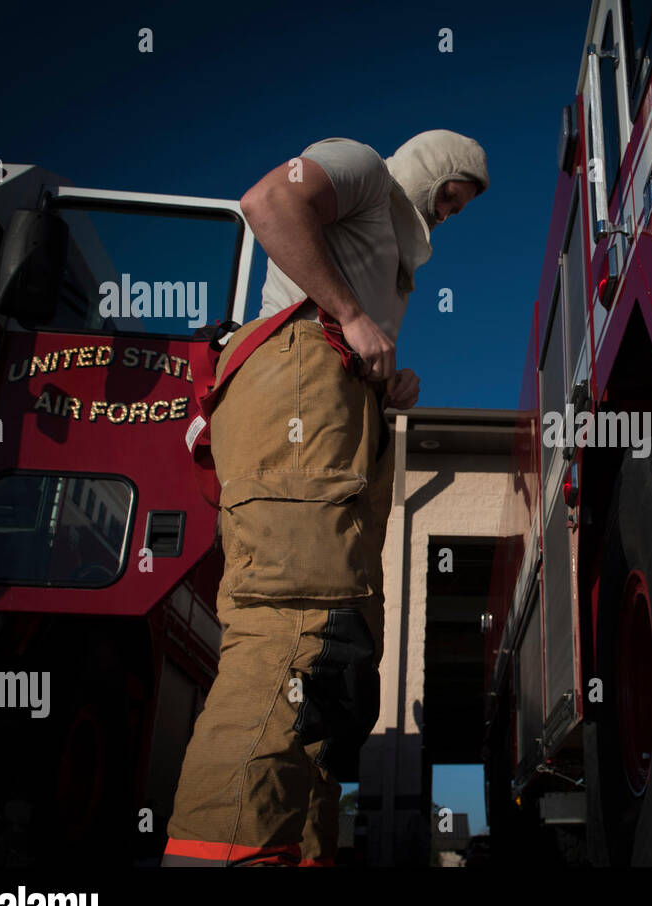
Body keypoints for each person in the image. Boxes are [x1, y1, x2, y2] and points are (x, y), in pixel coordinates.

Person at [161, 132, 488, 866]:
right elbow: (268, 203)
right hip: (296, 383)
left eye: (460, 210)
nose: (450, 215)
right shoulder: (364, 167)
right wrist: (349, 314)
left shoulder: (392, 261)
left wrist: (387, 380)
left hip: (336, 404)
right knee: (295, 628)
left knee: (330, 669)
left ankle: (296, 854)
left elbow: (352, 333)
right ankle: (218, 855)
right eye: (449, 196)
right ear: (432, 167)